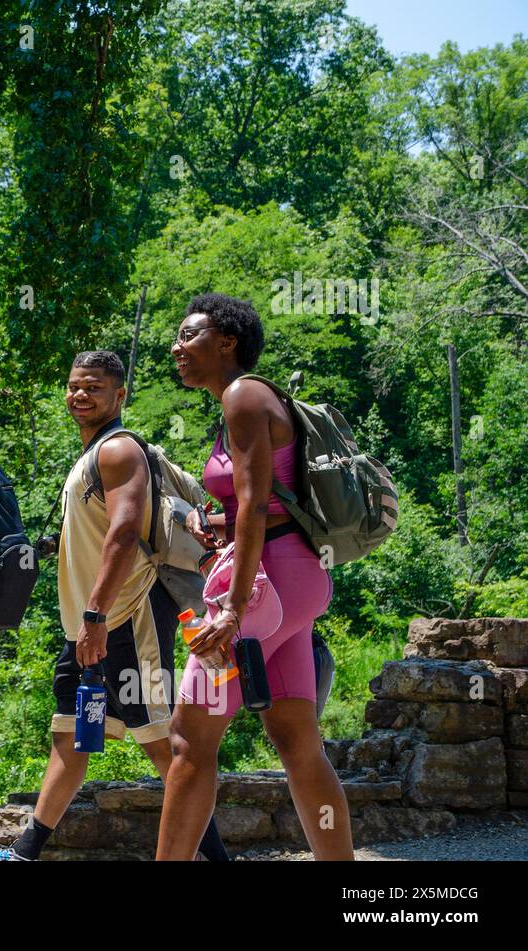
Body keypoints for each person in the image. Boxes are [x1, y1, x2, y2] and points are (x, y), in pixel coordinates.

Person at [0, 351, 228, 862]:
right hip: (86, 628)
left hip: (127, 616)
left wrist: (97, 615)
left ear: (119, 396)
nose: (81, 395)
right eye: (75, 386)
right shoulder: (91, 456)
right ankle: (24, 853)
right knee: (73, 734)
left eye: (95, 388)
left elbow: (124, 535)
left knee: (169, 752)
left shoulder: (119, 451)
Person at [157, 293, 353, 861]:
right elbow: (263, 507)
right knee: (297, 742)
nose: (178, 347)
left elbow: (254, 503)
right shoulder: (249, 400)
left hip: (263, 592)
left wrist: (232, 609)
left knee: (189, 740)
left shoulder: (244, 394)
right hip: (297, 583)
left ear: (227, 342)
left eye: (189, 335)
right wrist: (213, 521)